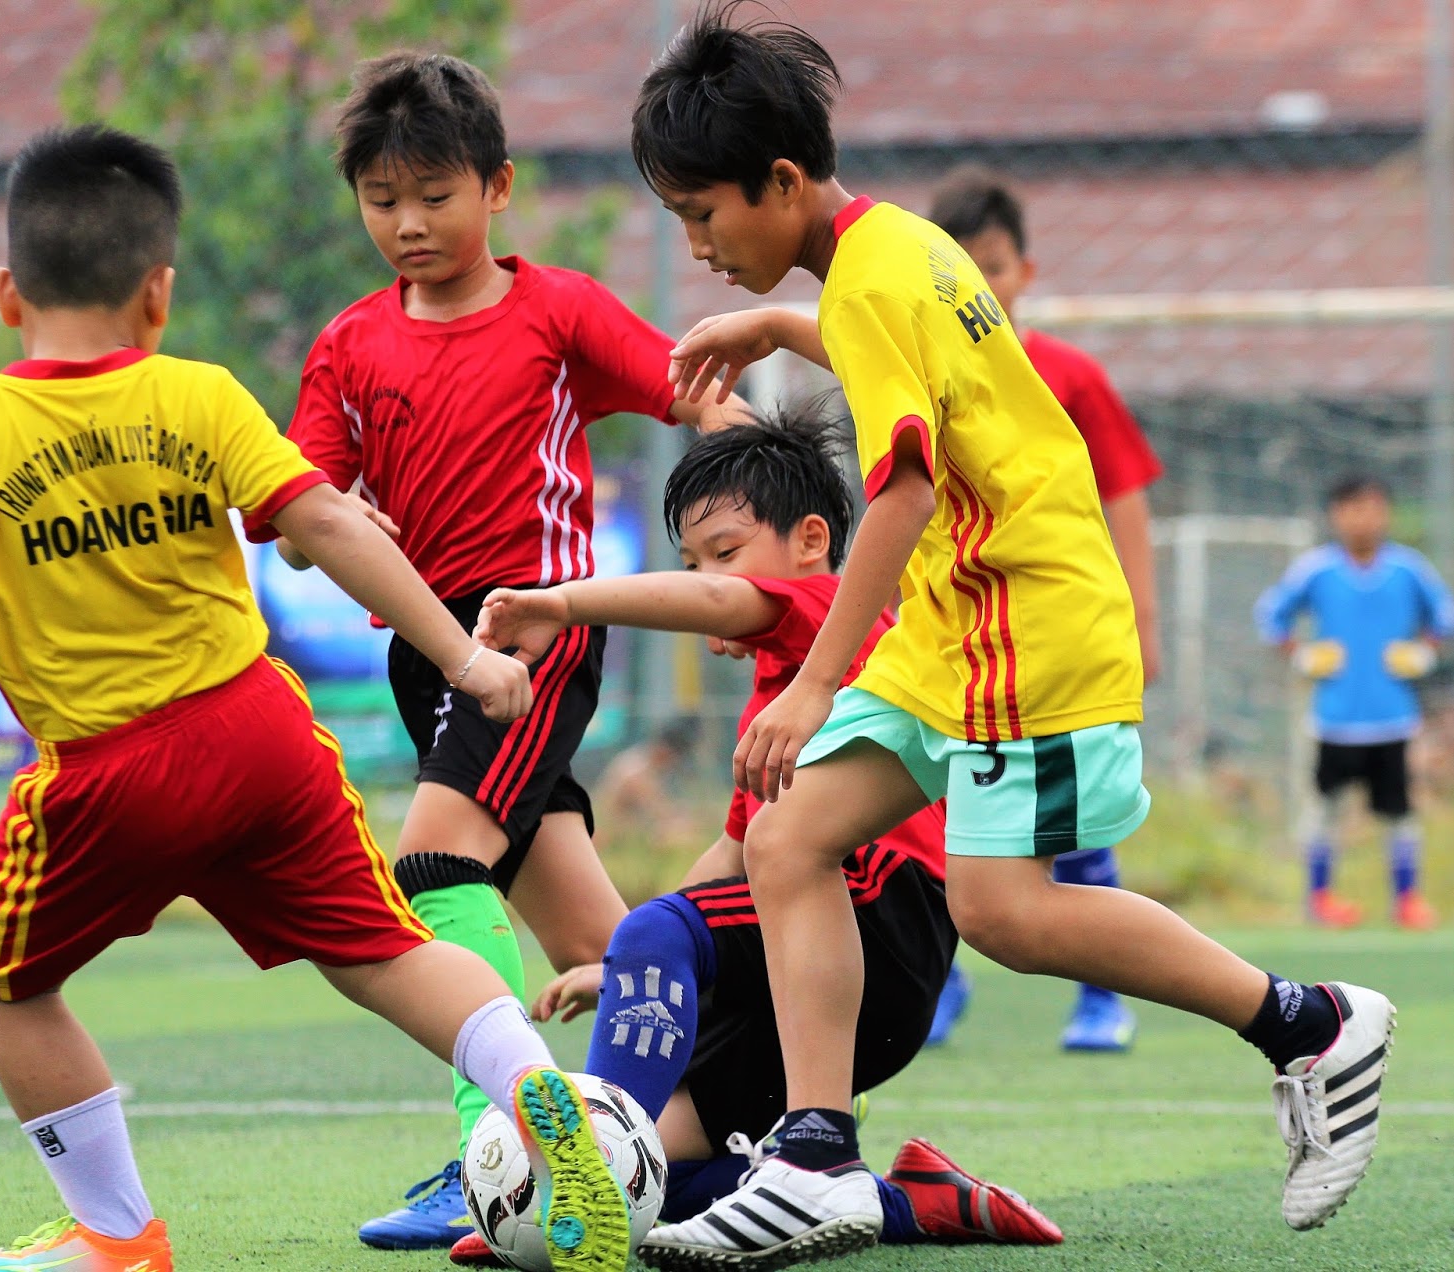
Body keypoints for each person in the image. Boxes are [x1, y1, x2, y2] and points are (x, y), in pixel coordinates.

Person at [622, 7, 1397, 1264]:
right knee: (789, 837)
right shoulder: (899, 250)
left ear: (780, 181)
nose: (695, 245)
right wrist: (776, 326)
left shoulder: (873, 282)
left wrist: (815, 683)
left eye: (702, 213)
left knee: (1006, 914)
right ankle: (816, 1152)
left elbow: (906, 489)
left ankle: (1308, 1023)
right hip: (955, 628)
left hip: (1017, 625)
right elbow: (919, 375)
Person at [0, 124, 631, 1272]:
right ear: (160, 293)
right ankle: (541, 1100)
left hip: (108, 772)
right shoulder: (200, 393)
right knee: (384, 950)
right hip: (261, 737)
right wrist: (466, 658)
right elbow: (329, 520)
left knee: (6, 978)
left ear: (5, 292)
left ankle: (118, 1239)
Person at [273, 53, 744, 1250]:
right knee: (602, 944)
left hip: (526, 643)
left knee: (430, 867)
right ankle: (721, 1154)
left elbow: (692, 395)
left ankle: (484, 1151)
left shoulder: (559, 309)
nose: (408, 223)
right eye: (381, 199)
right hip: (426, 658)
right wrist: (326, 516)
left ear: (498, 189)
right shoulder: (349, 342)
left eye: (434, 194)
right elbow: (291, 505)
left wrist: (760, 482)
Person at [461, 414, 1062, 1265]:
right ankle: (910, 1202)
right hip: (823, 988)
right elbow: (733, 857)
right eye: (694, 557)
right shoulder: (774, 704)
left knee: (656, 932)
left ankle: (585, 1172)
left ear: (811, 541)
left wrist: (564, 601)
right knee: (675, 1166)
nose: (708, 578)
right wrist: (636, 961)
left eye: (726, 550)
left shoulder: (828, 611)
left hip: (881, 919)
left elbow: (719, 605)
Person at [922, 166, 1167, 1053]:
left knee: (1071, 827)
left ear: (1024, 270)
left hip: (1051, 644)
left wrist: (1145, 622)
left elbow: (1125, 494)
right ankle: (936, 986)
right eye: (962, 269)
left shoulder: (1067, 375)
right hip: (952, 647)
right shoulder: (921, 371)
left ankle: (1102, 998)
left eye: (994, 265)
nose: (982, 285)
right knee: (936, 820)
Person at [1254, 476, 1454, 930]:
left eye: (1372, 507)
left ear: (1385, 513)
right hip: (1334, 719)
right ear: (1335, 515)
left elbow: (1446, 617)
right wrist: (1302, 654)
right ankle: (1319, 897)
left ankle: (1407, 898)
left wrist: (1423, 652)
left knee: (1400, 811)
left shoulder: (1409, 569)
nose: (1362, 518)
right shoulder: (1316, 570)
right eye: (1352, 508)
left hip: (1392, 718)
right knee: (1325, 809)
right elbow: (1271, 615)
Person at [592, 716, 702, 852]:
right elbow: (661, 813)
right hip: (615, 835)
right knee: (683, 834)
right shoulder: (637, 772)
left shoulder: (643, 759)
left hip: (628, 830)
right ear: (666, 752)